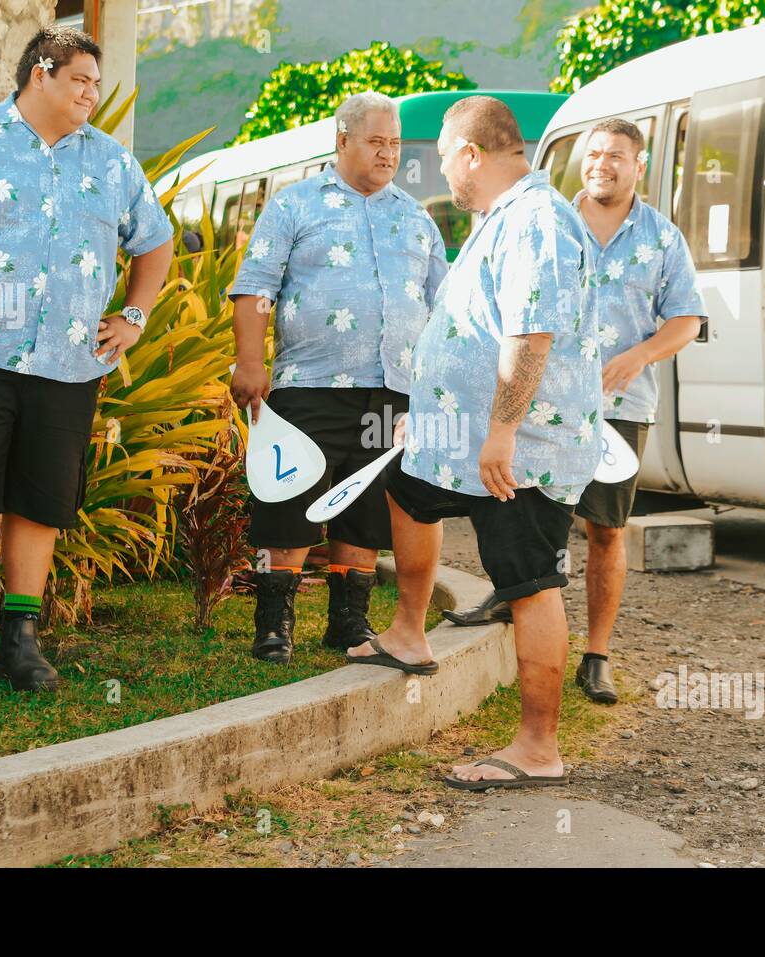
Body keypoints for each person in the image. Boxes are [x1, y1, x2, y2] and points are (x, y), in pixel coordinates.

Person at [0, 26, 174, 698]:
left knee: (39, 504)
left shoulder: (113, 164)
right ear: (40, 73)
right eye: (80, 80)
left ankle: (20, 642)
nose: (92, 94)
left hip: (69, 364)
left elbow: (153, 245)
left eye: (98, 84)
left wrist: (132, 318)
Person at [345, 95, 601, 791]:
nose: (443, 178)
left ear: (470, 154)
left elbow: (530, 334)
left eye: (446, 162)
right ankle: (408, 631)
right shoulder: (504, 217)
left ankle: (537, 747)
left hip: (522, 449)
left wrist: (503, 431)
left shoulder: (538, 222)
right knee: (405, 485)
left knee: (529, 582)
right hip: (456, 436)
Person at [441, 119, 705, 706]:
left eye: (615, 155)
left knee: (606, 532)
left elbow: (687, 318)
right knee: (528, 510)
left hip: (618, 407)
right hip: (542, 403)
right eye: (592, 155)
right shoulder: (550, 218)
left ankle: (597, 655)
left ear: (640, 162)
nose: (601, 164)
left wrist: (640, 355)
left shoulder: (662, 238)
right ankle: (512, 597)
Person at [228, 92, 448, 664]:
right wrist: (250, 362)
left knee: (368, 502)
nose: (388, 153)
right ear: (343, 140)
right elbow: (256, 286)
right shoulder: (295, 206)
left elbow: (440, 305)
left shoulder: (415, 216)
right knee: (289, 499)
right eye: (376, 141)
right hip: (309, 383)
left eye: (395, 143)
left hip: (390, 391)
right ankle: (274, 623)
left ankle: (347, 621)